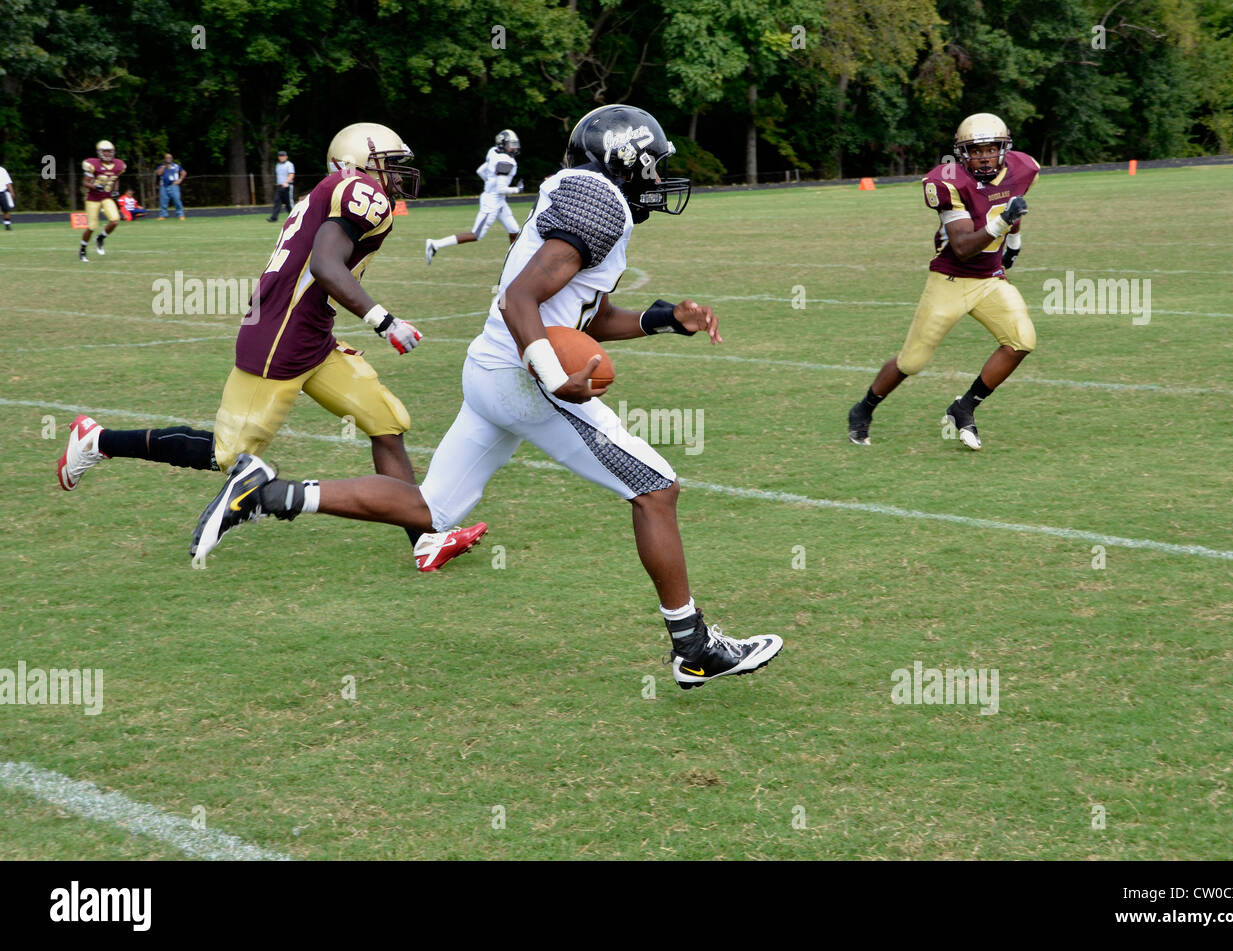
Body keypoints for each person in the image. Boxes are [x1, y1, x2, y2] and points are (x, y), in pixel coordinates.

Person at [192, 105, 783, 691]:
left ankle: (268, 493)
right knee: (657, 488)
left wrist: (664, 320)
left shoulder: (582, 197)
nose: (656, 179)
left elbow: (585, 317)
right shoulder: (600, 201)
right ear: (622, 162)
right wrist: (553, 378)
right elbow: (521, 300)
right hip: (523, 378)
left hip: (491, 369)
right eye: (650, 166)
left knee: (432, 511)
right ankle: (695, 648)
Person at [57, 122, 486, 573]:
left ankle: (426, 541)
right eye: (389, 165)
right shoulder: (361, 192)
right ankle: (97, 440)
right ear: (356, 163)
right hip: (282, 340)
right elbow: (324, 265)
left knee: (385, 421)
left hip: (308, 336)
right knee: (227, 454)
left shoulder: (331, 190)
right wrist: (384, 320)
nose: (396, 177)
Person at [847, 113, 1038, 451]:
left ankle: (963, 407)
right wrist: (1003, 223)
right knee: (912, 362)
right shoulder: (947, 180)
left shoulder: (1024, 168)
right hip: (951, 279)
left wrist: (1013, 243)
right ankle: (863, 408)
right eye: (974, 150)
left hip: (990, 280)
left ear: (1003, 149)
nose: (983, 156)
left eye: (990, 148)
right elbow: (963, 247)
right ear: (962, 153)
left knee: (1022, 340)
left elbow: (1013, 204)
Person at [424, 129, 523, 262]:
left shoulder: (493, 152)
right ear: (502, 144)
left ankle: (515, 261)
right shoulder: (506, 161)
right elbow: (500, 189)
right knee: (476, 235)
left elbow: (480, 171)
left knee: (514, 229)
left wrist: (489, 184)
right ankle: (435, 244)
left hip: (498, 200)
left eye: (514, 144)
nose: (514, 147)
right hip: (492, 203)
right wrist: (517, 189)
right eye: (511, 144)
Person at [79, 140, 126, 261]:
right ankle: (83, 250)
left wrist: (115, 190)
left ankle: (100, 238)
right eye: (105, 151)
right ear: (99, 152)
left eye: (110, 151)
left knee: (115, 220)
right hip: (93, 199)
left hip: (106, 197)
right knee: (91, 227)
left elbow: (116, 179)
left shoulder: (118, 165)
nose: (108, 154)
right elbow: (85, 182)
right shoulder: (93, 164)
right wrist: (94, 186)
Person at [155, 153, 186, 219]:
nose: (168, 159)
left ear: (172, 159)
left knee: (177, 200)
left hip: (173, 185)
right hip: (163, 186)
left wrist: (180, 179)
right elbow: (159, 173)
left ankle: (180, 214)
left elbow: (184, 172)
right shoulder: (161, 166)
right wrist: (164, 167)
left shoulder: (176, 166)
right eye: (167, 158)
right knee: (163, 201)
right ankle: (163, 215)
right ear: (165, 159)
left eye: (169, 157)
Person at [268, 150, 295, 221]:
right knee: (277, 201)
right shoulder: (278, 165)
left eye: (283, 156)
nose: (281, 157)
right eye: (280, 156)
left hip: (287, 186)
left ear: (286, 157)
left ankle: (294, 217)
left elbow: (291, 174)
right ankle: (274, 217)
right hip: (279, 186)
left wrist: (286, 182)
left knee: (288, 203)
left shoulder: (289, 164)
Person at [0, 164, 14, 230]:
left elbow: (8, 182)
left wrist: (11, 192)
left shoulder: (2, 170)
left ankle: (7, 225)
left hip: (2, 192)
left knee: (6, 209)